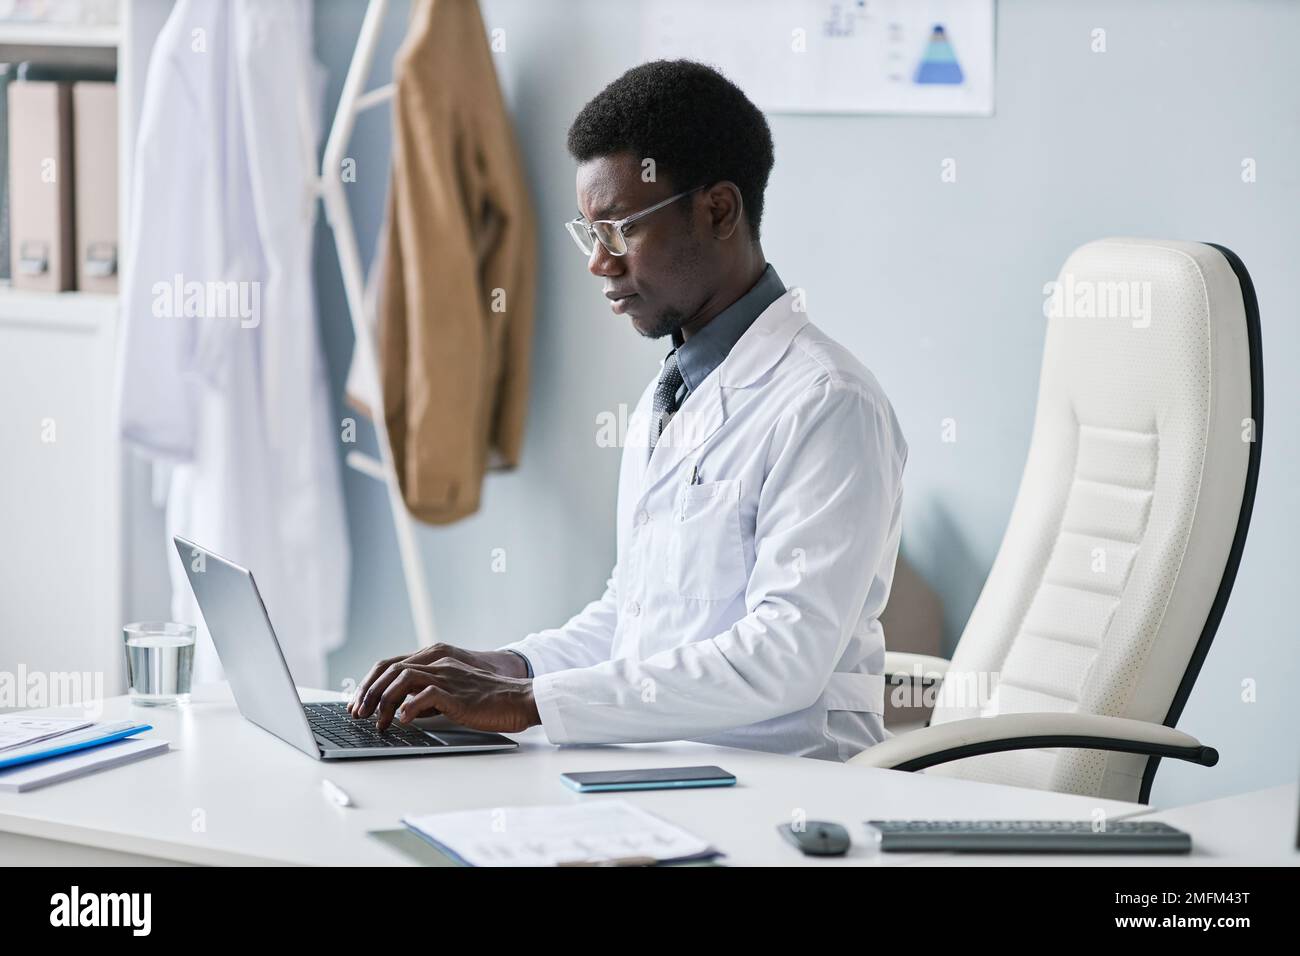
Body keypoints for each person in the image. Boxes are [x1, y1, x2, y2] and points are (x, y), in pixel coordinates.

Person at [350, 59, 908, 761]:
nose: (599, 263)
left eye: (621, 231)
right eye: (590, 234)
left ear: (718, 211)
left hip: (786, 789)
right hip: (660, 768)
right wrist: (506, 668)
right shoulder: (670, 393)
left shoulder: (830, 404)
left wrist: (530, 705)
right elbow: (633, 618)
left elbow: (785, 656)